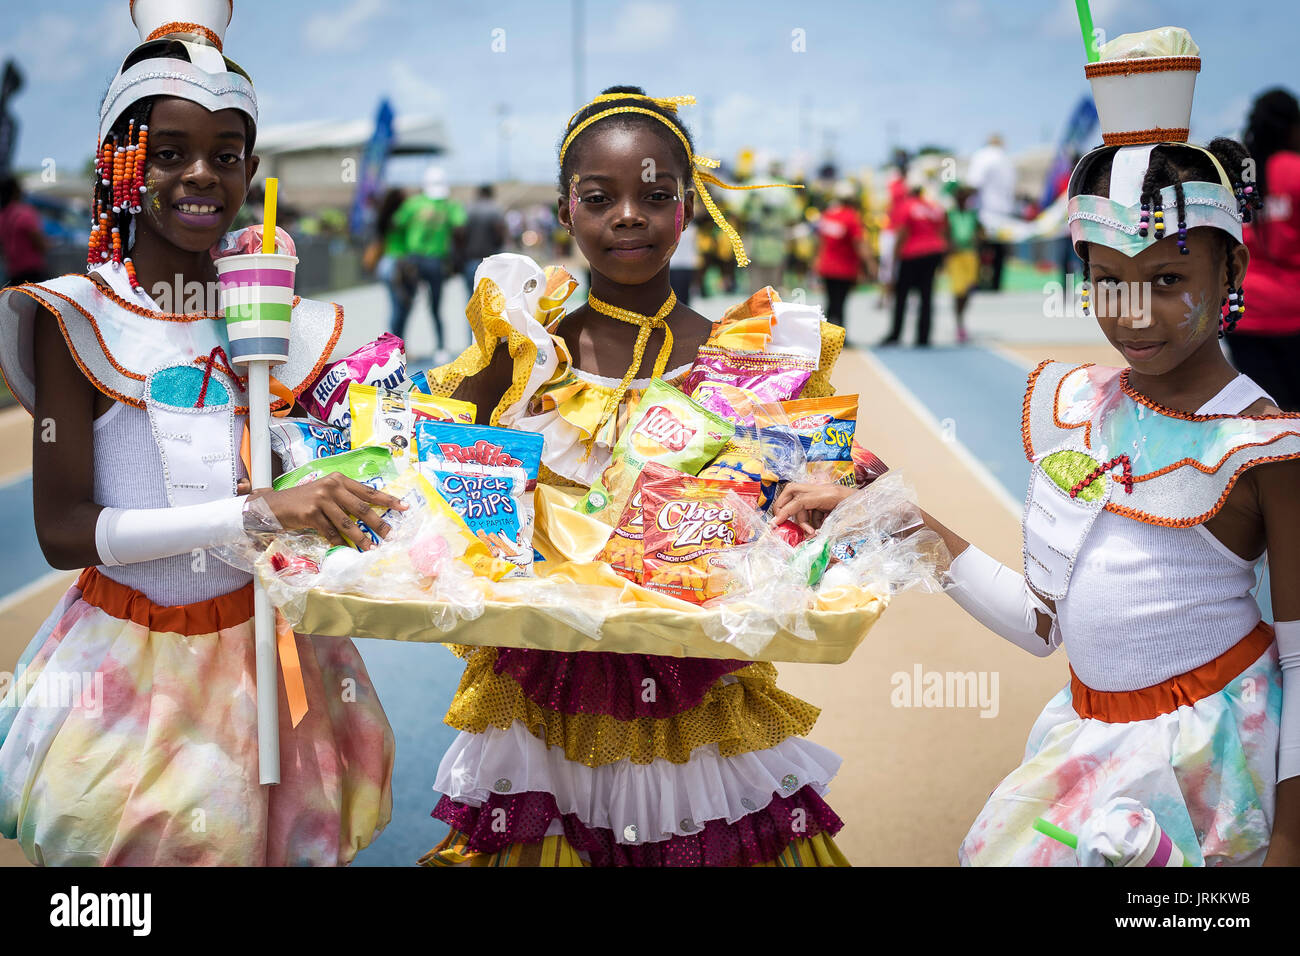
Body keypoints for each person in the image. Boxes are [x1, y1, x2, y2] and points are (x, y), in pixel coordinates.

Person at [779, 27, 1300, 867]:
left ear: (1229, 273)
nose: (1134, 313)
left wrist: (1291, 838)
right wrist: (893, 514)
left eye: (1168, 280)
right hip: (1088, 748)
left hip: (1214, 774)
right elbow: (1038, 622)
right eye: (1107, 280)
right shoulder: (1078, 410)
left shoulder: (1263, 446)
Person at [416, 86, 887, 868]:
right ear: (566, 212)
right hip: (541, 697)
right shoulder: (520, 356)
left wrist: (857, 491)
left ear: (688, 209)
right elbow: (427, 478)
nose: (628, 215)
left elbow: (822, 500)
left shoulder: (753, 364)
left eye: (655, 195)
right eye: (600, 198)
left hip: (696, 694)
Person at [0, 3, 395, 866]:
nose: (199, 177)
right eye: (169, 154)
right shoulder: (76, 318)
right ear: (121, 165)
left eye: (225, 156)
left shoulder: (281, 320)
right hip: (135, 673)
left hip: (275, 663)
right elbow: (63, 534)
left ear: (253, 170)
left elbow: (351, 464)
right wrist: (256, 514)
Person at [1232, 88, 1300, 411]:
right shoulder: (1295, 170)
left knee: (1266, 425)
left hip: (1245, 315)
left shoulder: (1239, 175)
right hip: (1293, 314)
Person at [391, 166, 466, 360]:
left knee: (406, 306)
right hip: (435, 261)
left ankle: (396, 349)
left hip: (413, 260)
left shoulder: (413, 204)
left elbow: (396, 225)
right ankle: (440, 348)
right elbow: (460, 227)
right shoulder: (449, 205)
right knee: (435, 307)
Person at [881, 171, 947, 347]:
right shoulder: (932, 207)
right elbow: (942, 231)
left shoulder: (906, 206)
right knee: (926, 296)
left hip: (912, 254)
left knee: (902, 295)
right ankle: (923, 337)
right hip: (933, 253)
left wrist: (894, 258)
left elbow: (902, 233)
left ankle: (895, 334)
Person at [814, 180, 873, 333]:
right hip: (844, 268)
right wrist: (870, 265)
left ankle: (826, 335)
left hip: (827, 266)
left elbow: (820, 242)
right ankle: (837, 337)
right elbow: (859, 243)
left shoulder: (827, 215)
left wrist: (816, 262)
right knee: (840, 303)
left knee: (830, 302)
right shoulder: (851, 217)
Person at [967, 133, 1016, 290]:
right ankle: (996, 285)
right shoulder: (1008, 160)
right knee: (999, 253)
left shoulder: (983, 156)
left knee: (980, 250)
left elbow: (973, 183)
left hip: (985, 212)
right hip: (1004, 213)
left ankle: (979, 284)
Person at [946, 184, 981, 343]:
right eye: (959, 196)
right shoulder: (949, 214)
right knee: (958, 290)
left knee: (968, 290)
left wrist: (977, 240)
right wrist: (949, 245)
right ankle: (959, 323)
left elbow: (979, 233)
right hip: (955, 257)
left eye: (964, 197)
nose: (961, 199)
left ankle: (961, 317)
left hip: (970, 255)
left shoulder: (973, 214)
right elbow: (945, 233)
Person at [458, 182, 507, 294]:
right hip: (490, 261)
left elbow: (460, 233)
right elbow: (500, 232)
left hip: (470, 260)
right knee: (490, 300)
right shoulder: (495, 209)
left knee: (472, 301)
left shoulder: (468, 209)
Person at [0, 174, 48, 286]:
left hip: (12, 274)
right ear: (16, 191)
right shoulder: (25, 213)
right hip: (32, 275)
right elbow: (40, 244)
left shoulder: (2, 216)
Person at [667, 204, 699, 305]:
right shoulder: (672, 228)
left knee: (682, 297)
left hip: (683, 264)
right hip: (676, 264)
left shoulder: (692, 229)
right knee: (677, 297)